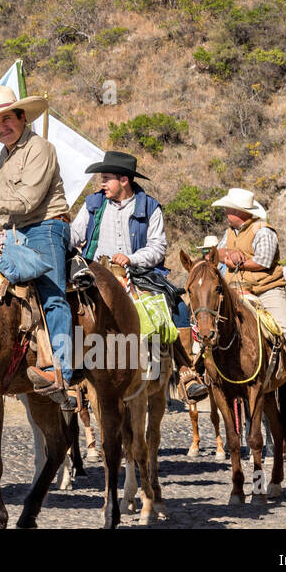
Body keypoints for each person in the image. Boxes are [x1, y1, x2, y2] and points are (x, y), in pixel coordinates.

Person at [0, 85, 76, 411]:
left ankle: (61, 372)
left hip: (47, 227)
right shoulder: (4, 155)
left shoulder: (41, 148)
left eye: (6, 120)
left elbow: (28, 200)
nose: (1, 128)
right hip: (15, 231)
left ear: (22, 117)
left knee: (52, 295)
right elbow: (14, 211)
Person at [69, 150, 208, 401]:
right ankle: (69, 376)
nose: (102, 183)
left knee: (176, 307)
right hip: (96, 273)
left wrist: (131, 259)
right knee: (69, 305)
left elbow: (157, 247)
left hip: (139, 273)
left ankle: (186, 372)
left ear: (124, 180)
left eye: (107, 178)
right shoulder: (93, 204)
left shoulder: (150, 207)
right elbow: (74, 235)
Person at [213, 189, 286, 394]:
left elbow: (262, 261)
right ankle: (199, 370)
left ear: (241, 212)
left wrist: (237, 261)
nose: (226, 212)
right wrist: (228, 253)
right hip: (235, 289)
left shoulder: (264, 231)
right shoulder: (229, 232)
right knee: (210, 319)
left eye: (229, 208)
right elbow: (217, 252)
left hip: (266, 289)